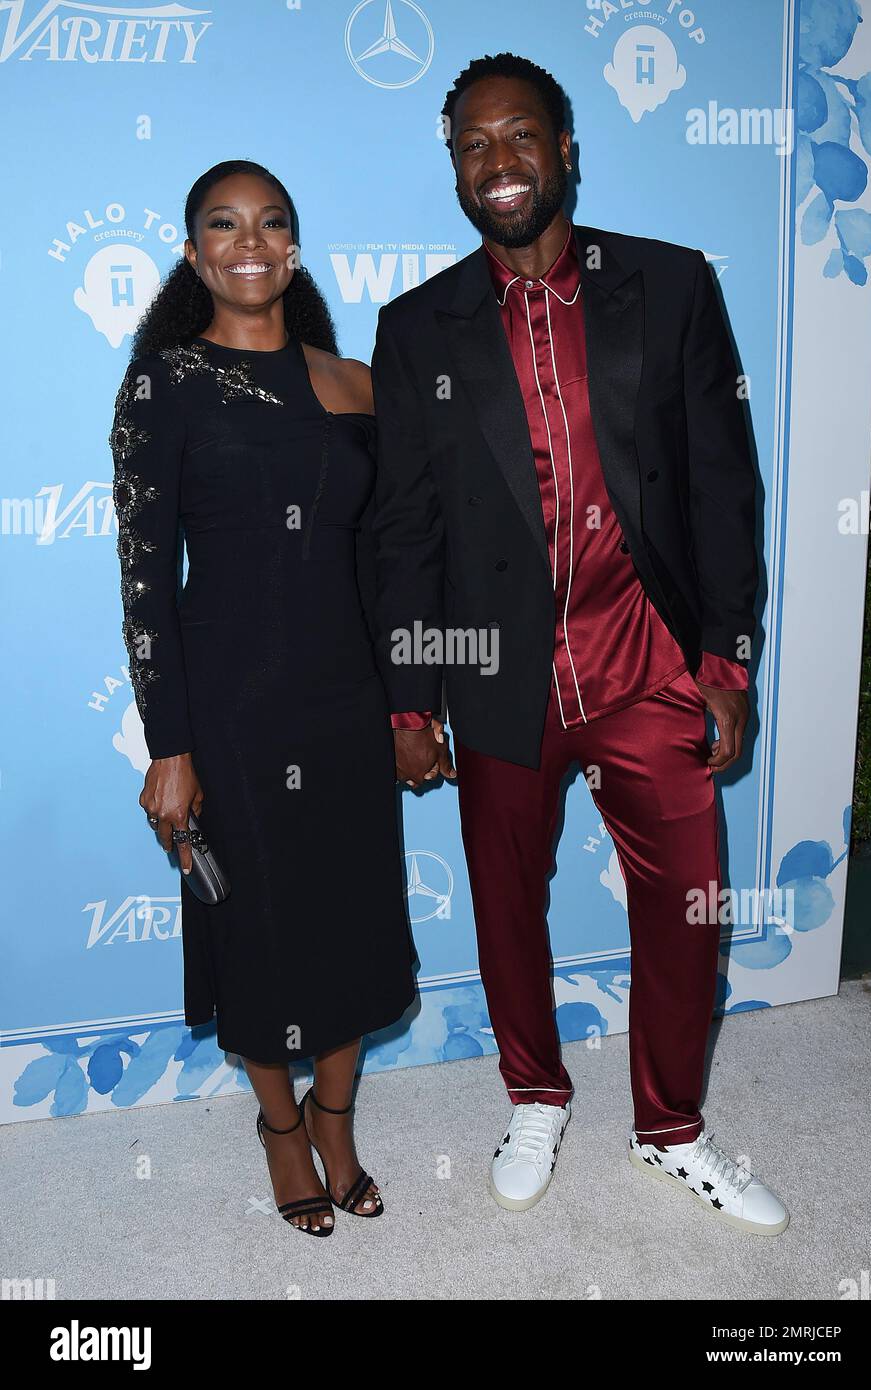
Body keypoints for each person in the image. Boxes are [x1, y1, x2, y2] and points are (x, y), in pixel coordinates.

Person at [371, 54, 788, 1236]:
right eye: (471, 147)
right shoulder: (416, 330)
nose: (496, 165)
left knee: (690, 903)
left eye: (518, 139)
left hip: (646, 658)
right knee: (506, 903)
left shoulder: (667, 287)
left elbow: (724, 489)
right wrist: (410, 703)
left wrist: (726, 662)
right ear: (455, 166)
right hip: (496, 677)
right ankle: (536, 1094)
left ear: (565, 148)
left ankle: (674, 1128)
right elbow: (401, 532)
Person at [110, 160, 416, 1236]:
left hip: (345, 694)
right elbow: (145, 574)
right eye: (222, 225)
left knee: (348, 912)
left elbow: (386, 570)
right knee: (260, 922)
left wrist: (408, 705)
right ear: (195, 254)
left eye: (271, 221)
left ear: (294, 245)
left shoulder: (357, 386)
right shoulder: (164, 382)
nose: (250, 240)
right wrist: (171, 743)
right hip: (230, 703)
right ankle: (281, 1126)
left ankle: (338, 1116)